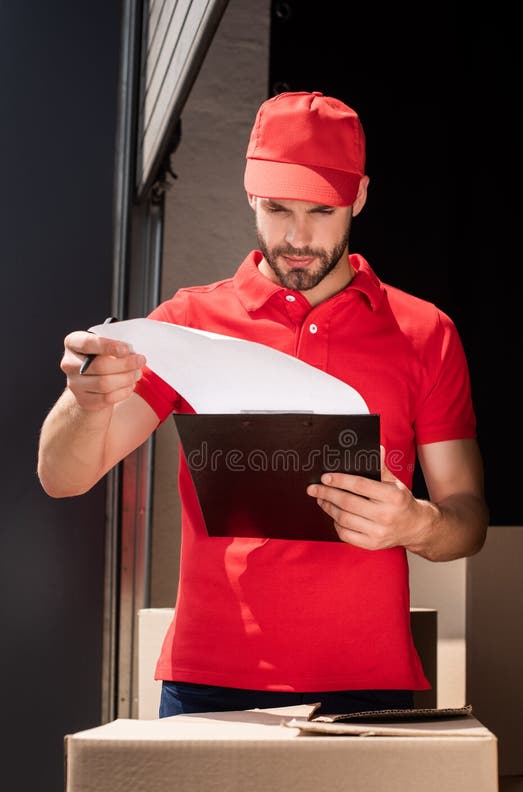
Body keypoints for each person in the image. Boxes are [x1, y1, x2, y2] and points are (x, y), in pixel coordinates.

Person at [37, 91, 489, 717]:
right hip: (208, 678)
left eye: (321, 211)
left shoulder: (425, 332)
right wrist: (83, 402)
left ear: (358, 196)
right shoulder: (188, 321)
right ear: (252, 195)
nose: (298, 238)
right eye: (277, 209)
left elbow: (468, 519)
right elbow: (63, 477)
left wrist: (418, 524)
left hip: (368, 678)